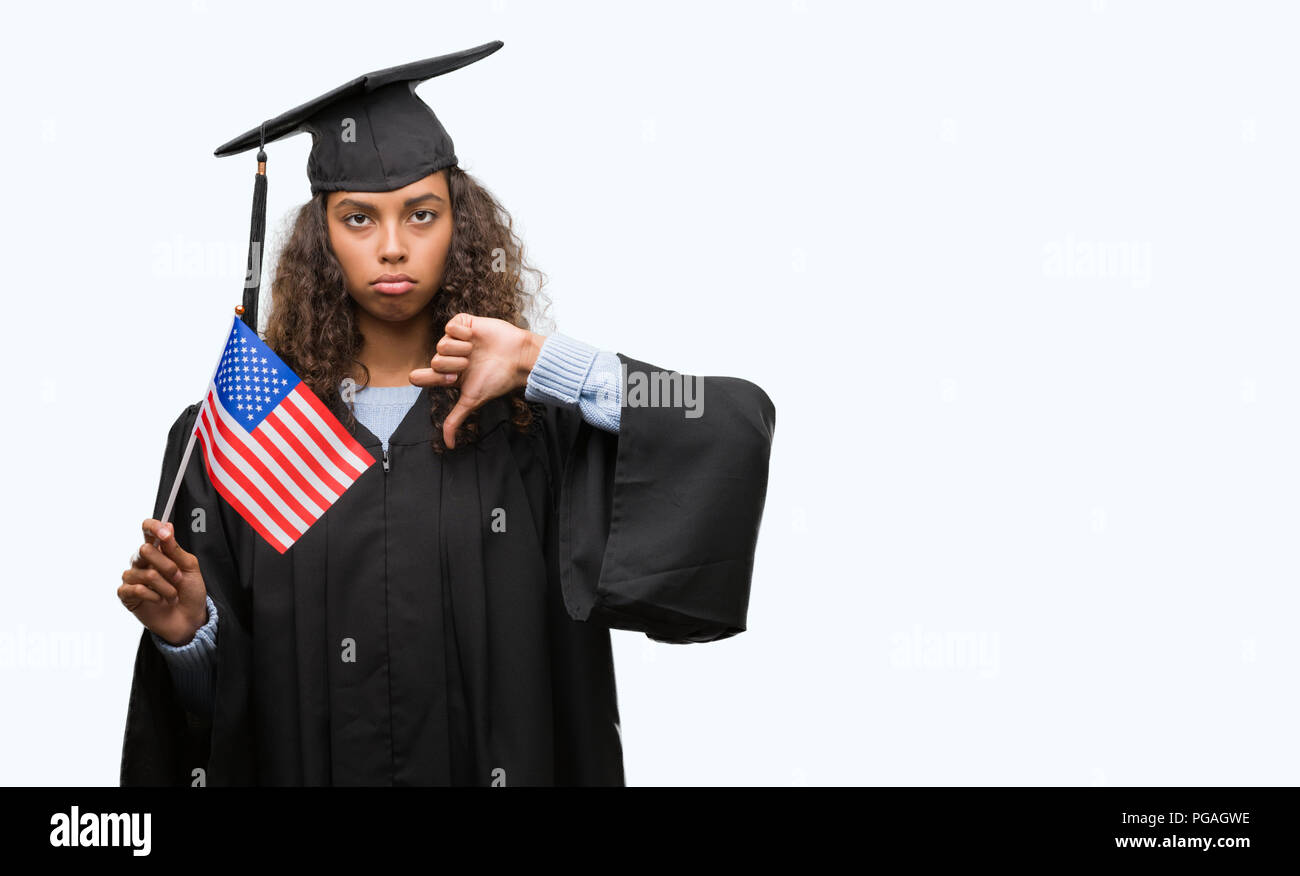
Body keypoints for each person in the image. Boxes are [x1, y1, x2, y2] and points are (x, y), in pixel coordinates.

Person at [118, 41, 775, 787]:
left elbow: (727, 424)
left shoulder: (539, 426)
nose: (392, 248)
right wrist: (191, 641)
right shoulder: (247, 434)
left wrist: (540, 362)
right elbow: (217, 729)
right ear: (320, 238)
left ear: (459, 225)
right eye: (359, 219)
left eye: (420, 215)